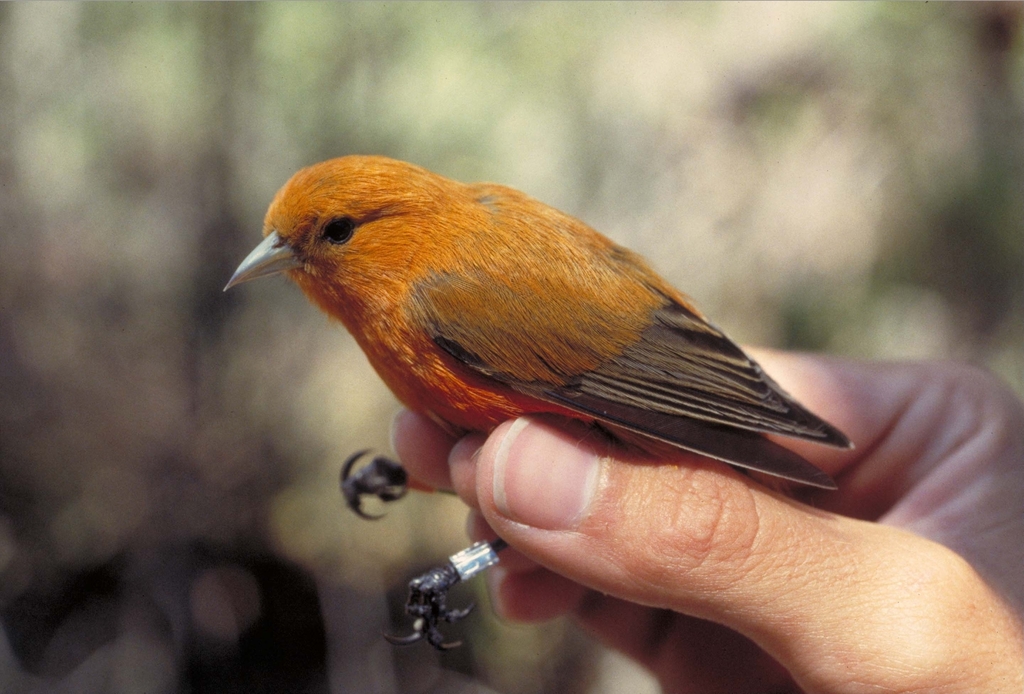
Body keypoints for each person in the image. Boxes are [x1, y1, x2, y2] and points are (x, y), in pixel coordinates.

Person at [392, 351, 1024, 693]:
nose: (289, 254)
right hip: (640, 387)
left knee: (529, 490)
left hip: (643, 402)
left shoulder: (438, 296)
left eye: (333, 234)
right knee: (509, 486)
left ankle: (459, 560)